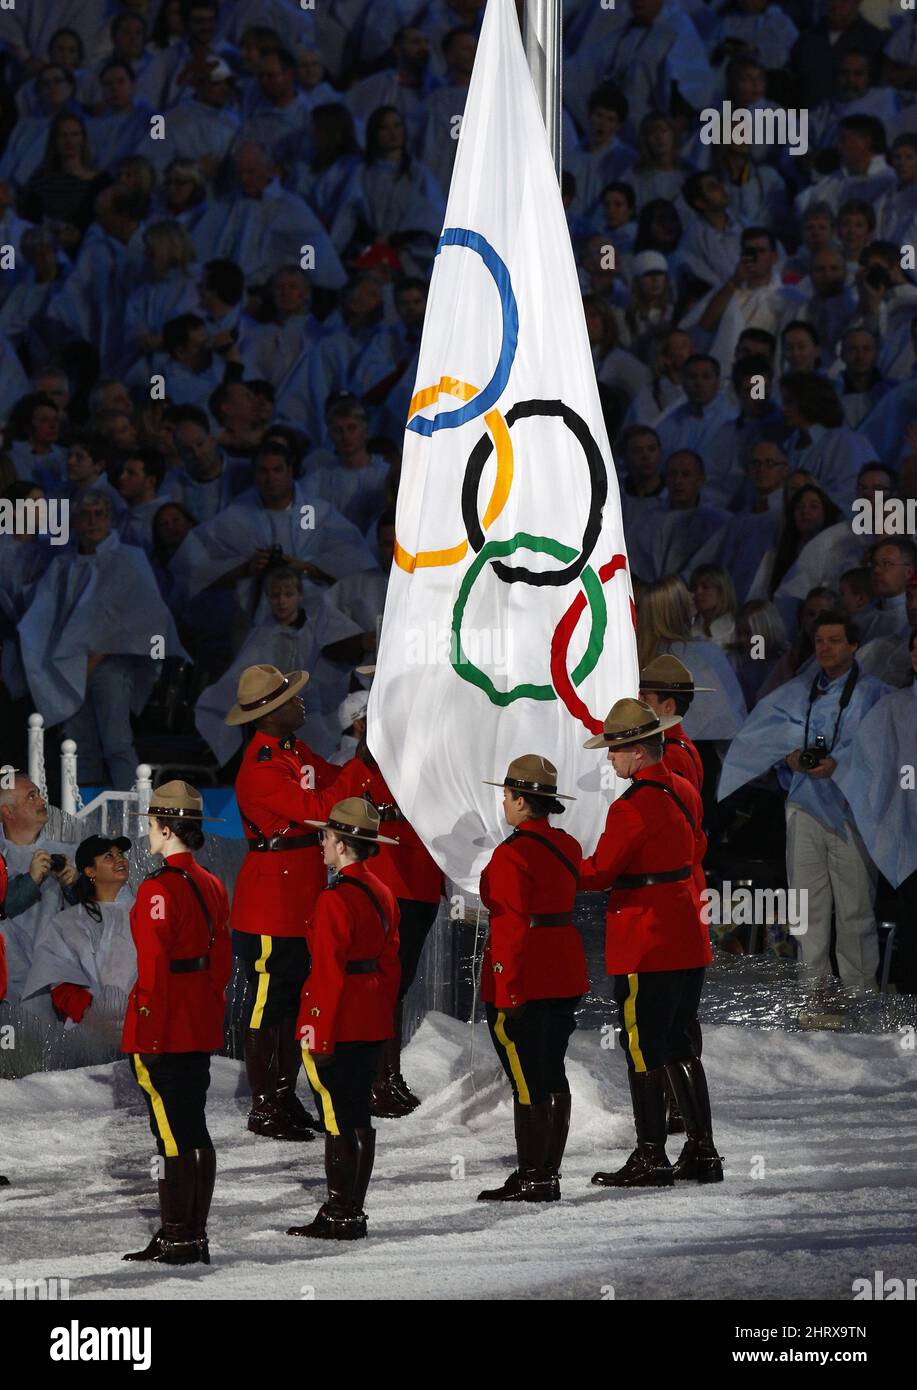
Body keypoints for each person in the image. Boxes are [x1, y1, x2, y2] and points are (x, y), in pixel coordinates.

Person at [719, 611, 889, 1013]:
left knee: (854, 909)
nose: (825, 648)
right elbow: (768, 741)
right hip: (804, 806)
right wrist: (789, 759)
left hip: (853, 812)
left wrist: (840, 763)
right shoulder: (798, 692)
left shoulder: (875, 694)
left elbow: (881, 749)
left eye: (834, 640)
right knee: (806, 907)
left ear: (853, 645)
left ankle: (860, 1000)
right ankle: (810, 996)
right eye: (819, 641)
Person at [580, 700, 719, 1188]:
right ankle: (703, 1150)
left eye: (615, 750)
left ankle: (651, 1154)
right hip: (685, 931)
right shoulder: (683, 789)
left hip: (646, 939)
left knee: (642, 1046)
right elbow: (699, 846)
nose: (610, 760)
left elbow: (598, 873)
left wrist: (560, 862)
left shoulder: (632, 806)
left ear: (638, 752)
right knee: (681, 1041)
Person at [226, 663, 339, 1142]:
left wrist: (365, 766)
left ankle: (282, 1093)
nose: (300, 703)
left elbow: (331, 779)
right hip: (273, 900)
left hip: (298, 894)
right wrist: (359, 774)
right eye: (290, 699)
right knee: (268, 1005)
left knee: (292, 1003)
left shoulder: (292, 750)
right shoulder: (262, 765)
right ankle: (264, 1103)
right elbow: (317, 811)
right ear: (269, 715)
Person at [121, 781, 230, 1266]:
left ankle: (178, 1238)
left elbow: (153, 967)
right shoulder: (212, 882)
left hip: (164, 1022)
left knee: (170, 1134)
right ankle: (194, 1233)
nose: (147, 834)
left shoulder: (157, 888)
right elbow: (223, 958)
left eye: (150, 826)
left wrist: (149, 1028)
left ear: (166, 830)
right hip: (198, 1019)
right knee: (194, 1128)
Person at [286, 797, 400, 1241]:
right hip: (369, 1015)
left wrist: (316, 1028)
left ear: (343, 845)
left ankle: (341, 1213)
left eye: (326, 836)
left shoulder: (334, 898)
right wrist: (381, 1013)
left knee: (337, 1117)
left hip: (340, 1017)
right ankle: (352, 1209)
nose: (322, 843)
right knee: (356, 1116)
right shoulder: (383, 891)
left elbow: (328, 974)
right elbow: (390, 964)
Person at [475, 756, 588, 1203]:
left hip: (525, 977)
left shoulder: (511, 855)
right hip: (563, 971)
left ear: (522, 801)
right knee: (551, 1073)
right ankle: (546, 1173)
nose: (503, 801)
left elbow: (510, 930)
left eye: (506, 794)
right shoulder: (568, 845)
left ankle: (534, 1177)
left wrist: (508, 988)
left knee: (527, 1081)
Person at [323, 734, 443, 1117]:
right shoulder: (363, 768)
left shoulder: (425, 759)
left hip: (420, 881)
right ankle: (378, 1080)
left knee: (397, 985)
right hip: (390, 881)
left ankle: (387, 1076)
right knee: (384, 986)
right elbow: (340, 813)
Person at [22, 834, 136, 1026]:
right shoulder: (69, 922)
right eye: (109, 856)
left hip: (145, 1029)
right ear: (90, 871)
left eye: (120, 854)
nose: (120, 860)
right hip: (91, 1034)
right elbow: (61, 984)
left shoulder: (147, 913)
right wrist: (92, 1016)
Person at [638, 654, 709, 792]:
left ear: (668, 707)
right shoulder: (681, 747)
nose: (638, 703)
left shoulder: (669, 756)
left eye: (645, 698)